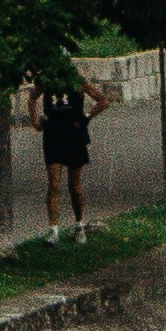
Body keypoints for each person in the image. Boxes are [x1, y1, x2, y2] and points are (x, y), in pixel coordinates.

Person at [37, 56, 117, 241]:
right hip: (53, 137)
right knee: (54, 184)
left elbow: (103, 101)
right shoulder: (48, 84)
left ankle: (79, 225)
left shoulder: (78, 83)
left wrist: (86, 117)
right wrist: (36, 120)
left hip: (74, 137)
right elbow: (32, 97)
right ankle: (53, 230)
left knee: (74, 185)